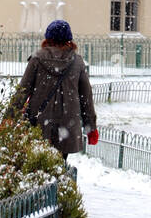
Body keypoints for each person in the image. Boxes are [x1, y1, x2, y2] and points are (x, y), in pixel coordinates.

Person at [7, 20, 98, 159]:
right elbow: (86, 98)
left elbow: (22, 92)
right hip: (67, 125)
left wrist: (8, 118)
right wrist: (91, 127)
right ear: (69, 40)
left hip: (39, 124)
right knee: (59, 166)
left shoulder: (37, 59)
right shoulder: (77, 62)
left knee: (38, 166)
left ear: (48, 39)